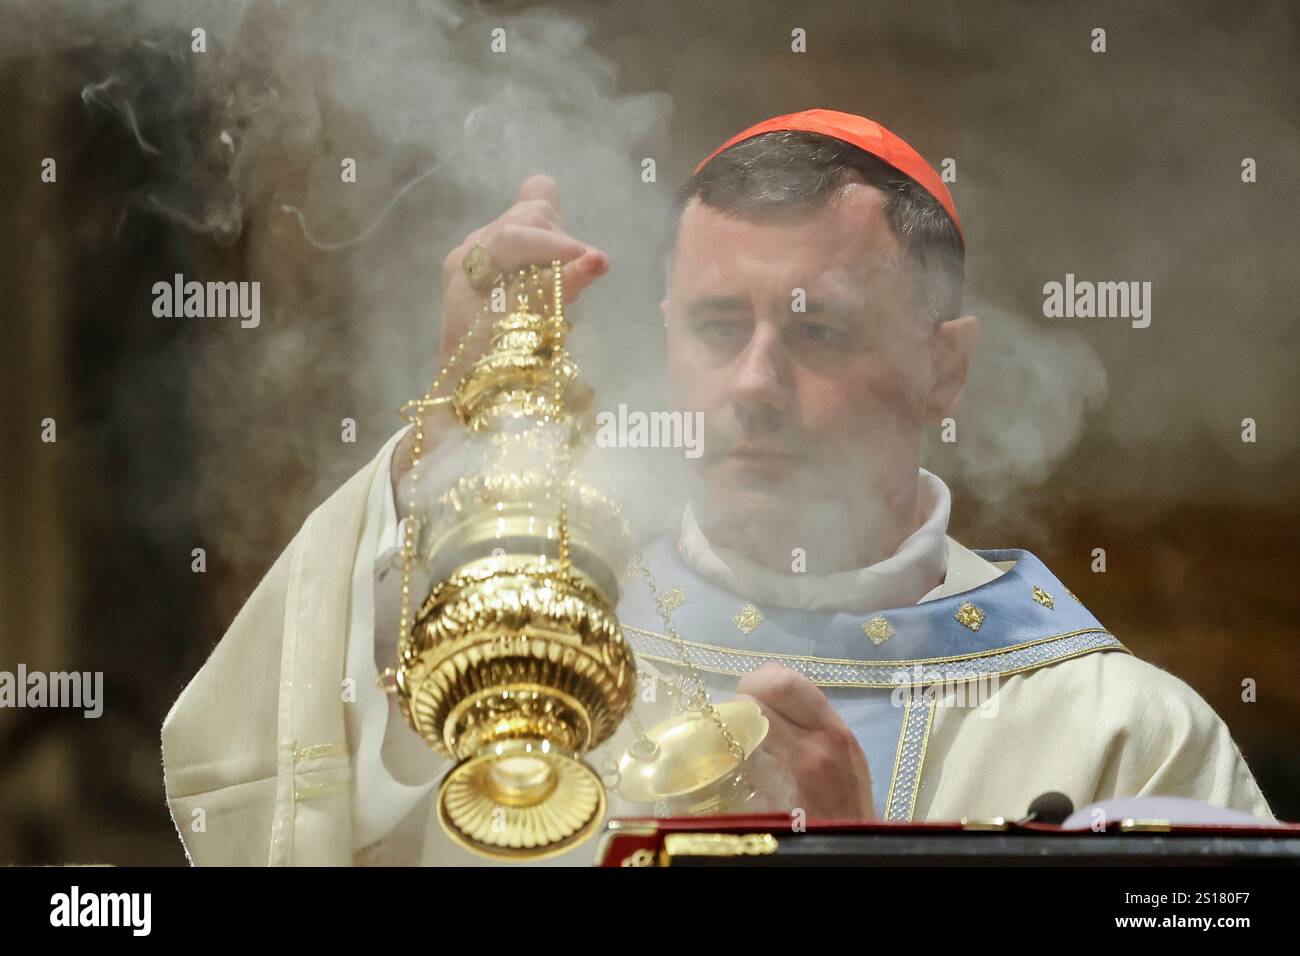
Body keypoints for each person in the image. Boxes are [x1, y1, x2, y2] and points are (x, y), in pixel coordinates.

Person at [161, 109, 1273, 866]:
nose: (753, 384)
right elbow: (268, 783)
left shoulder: (1120, 735)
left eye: (817, 329)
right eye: (715, 327)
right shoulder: (538, 655)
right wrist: (455, 426)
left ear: (946, 367)